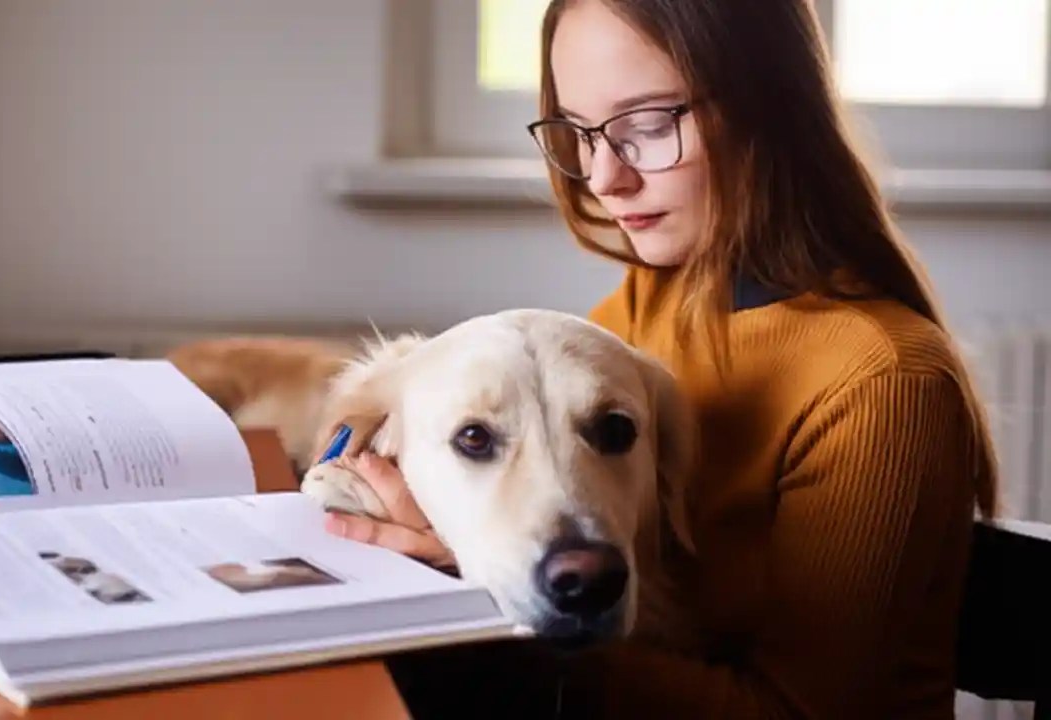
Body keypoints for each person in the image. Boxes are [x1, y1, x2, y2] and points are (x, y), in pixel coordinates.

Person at [320, 0, 1000, 717]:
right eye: (579, 133)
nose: (604, 176)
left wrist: (485, 595)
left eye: (646, 125)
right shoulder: (648, 305)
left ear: (768, 106)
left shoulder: (883, 380)